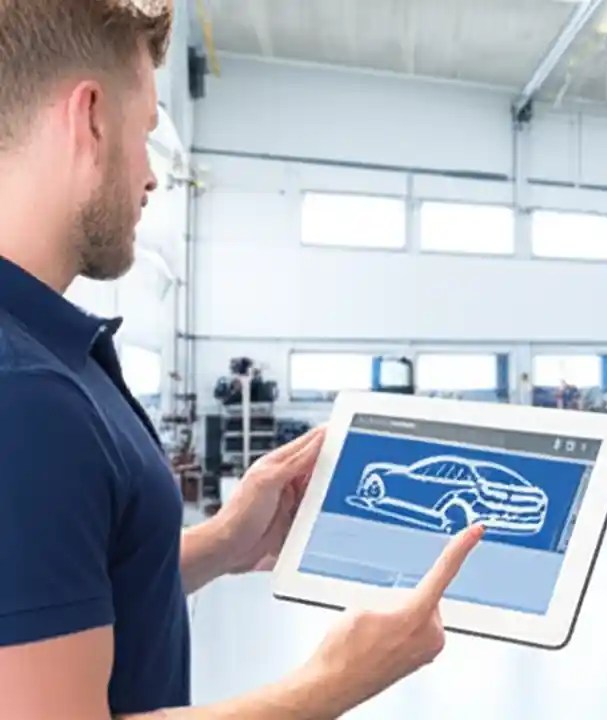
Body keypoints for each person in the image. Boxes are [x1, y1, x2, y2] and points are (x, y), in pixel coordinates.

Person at [0, 1, 483, 717]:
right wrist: (333, 682)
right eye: (146, 135)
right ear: (92, 119)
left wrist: (225, 541)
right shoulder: (27, 396)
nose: (151, 177)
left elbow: (73, 589)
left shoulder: (45, 353)